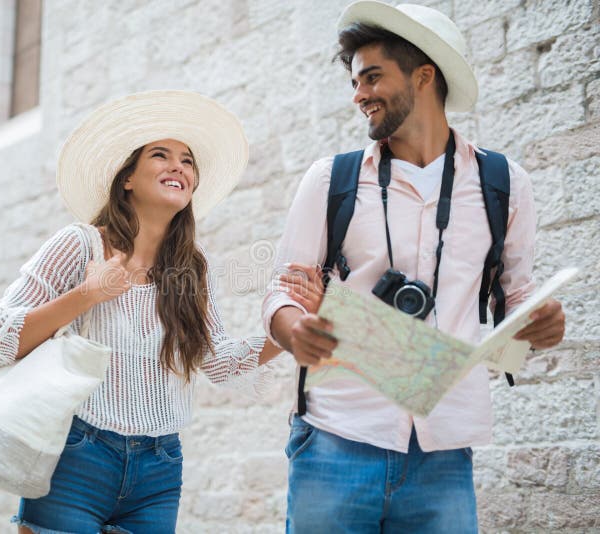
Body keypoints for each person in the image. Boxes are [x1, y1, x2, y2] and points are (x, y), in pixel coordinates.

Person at [262, 2, 566, 532]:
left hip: (444, 449)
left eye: (372, 77)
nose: (359, 95)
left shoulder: (504, 182)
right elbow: (282, 292)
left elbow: (518, 298)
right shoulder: (329, 179)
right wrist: (294, 331)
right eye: (355, 82)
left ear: (424, 76)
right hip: (336, 436)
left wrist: (543, 325)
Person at [0, 90, 291, 534]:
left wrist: (293, 332)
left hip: (159, 468)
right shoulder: (80, 244)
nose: (177, 166)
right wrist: (87, 294)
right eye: (160, 155)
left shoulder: (193, 269)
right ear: (127, 178)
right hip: (77, 453)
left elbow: (218, 362)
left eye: (187, 160)